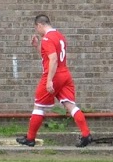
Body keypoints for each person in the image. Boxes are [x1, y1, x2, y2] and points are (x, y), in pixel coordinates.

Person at [19, 13, 92, 147]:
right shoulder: (60, 36)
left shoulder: (47, 39)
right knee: (70, 105)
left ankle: (30, 138)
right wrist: (37, 46)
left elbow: (53, 59)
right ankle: (86, 134)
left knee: (39, 106)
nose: (37, 31)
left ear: (40, 25)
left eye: (36, 28)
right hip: (65, 74)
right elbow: (49, 55)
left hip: (53, 75)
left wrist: (49, 80)